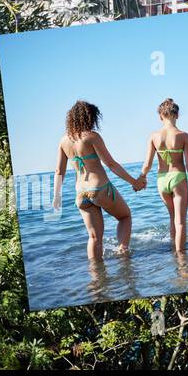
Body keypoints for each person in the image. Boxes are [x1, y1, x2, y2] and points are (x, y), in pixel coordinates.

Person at [52, 101, 146, 261]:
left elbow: (58, 171)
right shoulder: (92, 137)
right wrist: (133, 182)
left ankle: (96, 278)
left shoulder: (63, 141)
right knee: (125, 217)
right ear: (90, 117)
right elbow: (111, 164)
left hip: (81, 194)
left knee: (94, 238)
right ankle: (123, 256)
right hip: (99, 188)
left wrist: (56, 196)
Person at [138, 98, 188, 251]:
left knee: (172, 218)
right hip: (178, 178)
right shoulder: (183, 135)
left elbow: (147, 164)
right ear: (177, 115)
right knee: (180, 222)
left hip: (162, 181)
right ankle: (182, 259)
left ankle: (174, 251)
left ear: (160, 116)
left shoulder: (153, 136)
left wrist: (142, 178)